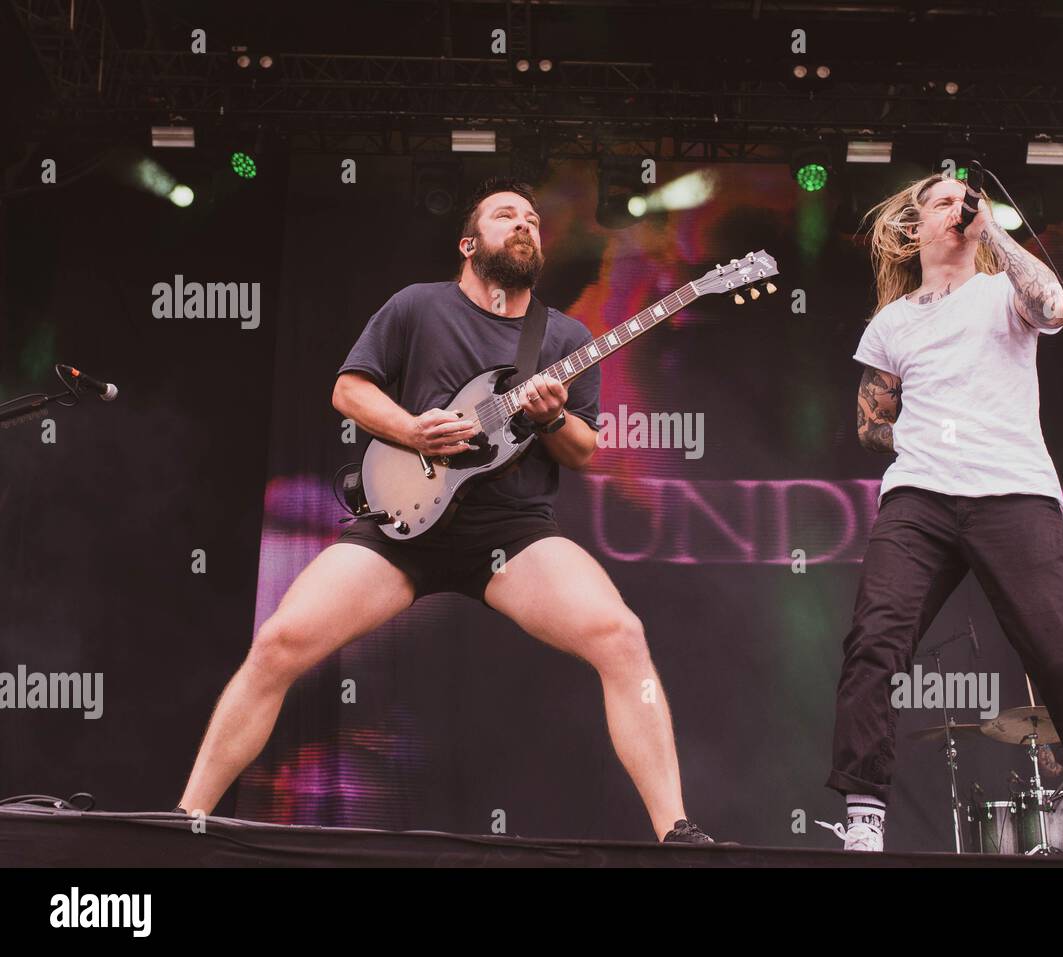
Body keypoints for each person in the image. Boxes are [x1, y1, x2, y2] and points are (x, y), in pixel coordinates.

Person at [176, 177, 713, 845]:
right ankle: (185, 818)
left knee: (620, 636)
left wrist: (550, 421)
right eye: (505, 216)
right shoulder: (417, 307)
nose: (524, 225)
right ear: (468, 243)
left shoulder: (565, 336)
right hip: (401, 525)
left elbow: (583, 451)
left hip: (511, 533)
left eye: (532, 221)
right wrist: (411, 431)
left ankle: (677, 832)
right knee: (278, 644)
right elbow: (349, 390)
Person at [821, 173, 1063, 855]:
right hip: (919, 497)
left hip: (1013, 492)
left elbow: (1057, 306)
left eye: (965, 198)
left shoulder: (1003, 291)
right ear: (914, 228)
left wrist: (994, 233)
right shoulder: (893, 321)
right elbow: (869, 424)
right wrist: (922, 435)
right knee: (872, 646)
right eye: (941, 200)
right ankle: (863, 816)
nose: (958, 206)